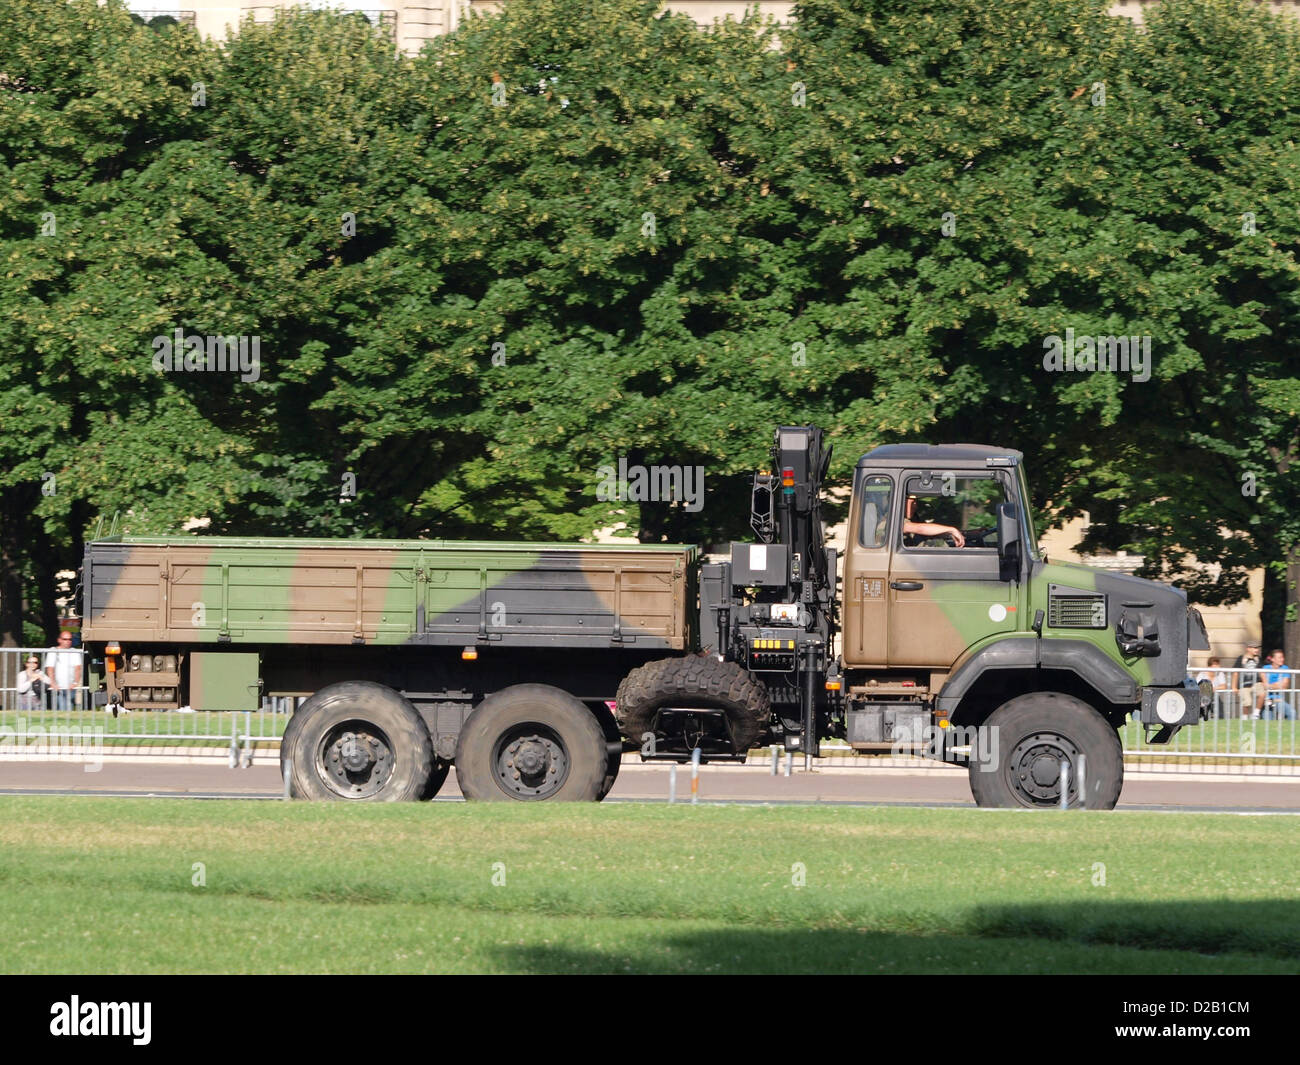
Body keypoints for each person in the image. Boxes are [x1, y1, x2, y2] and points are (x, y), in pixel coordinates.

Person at [43, 630, 82, 712]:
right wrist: (53, 683)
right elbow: (50, 668)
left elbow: (78, 669)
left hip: (70, 687)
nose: (68, 641)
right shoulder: (53, 650)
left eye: (70, 639)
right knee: (59, 707)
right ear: (59, 640)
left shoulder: (74, 652)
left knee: (69, 707)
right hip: (57, 687)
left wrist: (75, 683)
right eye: (65, 639)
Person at [1261, 649, 1296, 721]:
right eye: (1279, 657)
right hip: (1267, 701)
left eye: (1282, 657)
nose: (1282, 659)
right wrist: (1278, 684)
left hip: (1279, 700)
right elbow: (1264, 686)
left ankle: (1289, 731)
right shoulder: (1265, 668)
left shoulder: (1285, 668)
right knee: (1267, 722)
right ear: (1273, 659)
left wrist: (1270, 685)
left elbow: (1285, 686)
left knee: (1292, 713)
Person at [1232, 643, 1263, 719]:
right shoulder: (1241, 658)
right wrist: (1234, 686)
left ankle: (1256, 713)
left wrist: (1264, 682)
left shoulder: (1258, 658)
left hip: (1255, 683)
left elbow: (1262, 672)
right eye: (1254, 648)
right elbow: (1235, 673)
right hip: (1244, 684)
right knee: (1247, 702)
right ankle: (1245, 717)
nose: (1256, 650)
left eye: (1257, 648)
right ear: (1248, 648)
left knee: (1262, 694)